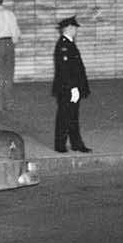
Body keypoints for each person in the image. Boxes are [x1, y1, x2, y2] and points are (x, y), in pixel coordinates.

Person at [51, 15, 90, 153]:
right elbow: (65, 70)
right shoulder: (63, 46)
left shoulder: (69, 43)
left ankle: (76, 143)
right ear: (68, 28)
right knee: (65, 116)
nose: (76, 30)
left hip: (71, 87)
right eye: (74, 28)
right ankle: (60, 145)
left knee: (72, 116)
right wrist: (73, 87)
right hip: (67, 88)